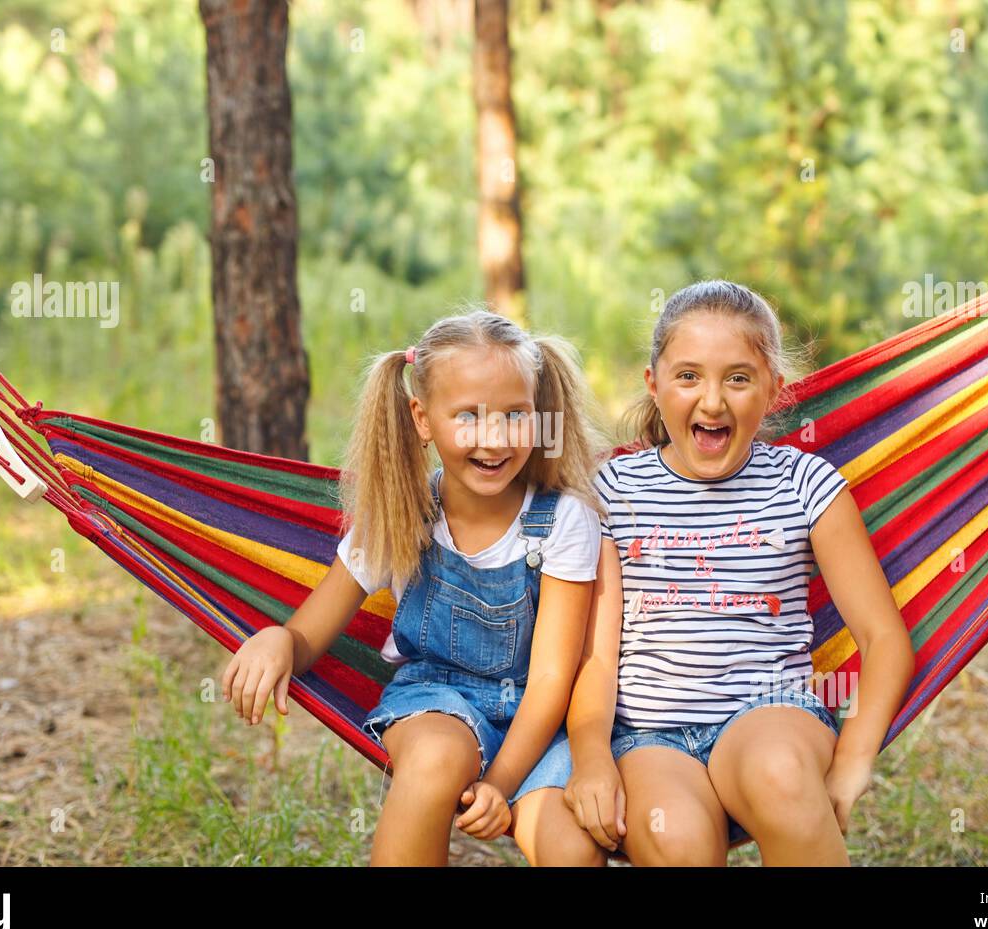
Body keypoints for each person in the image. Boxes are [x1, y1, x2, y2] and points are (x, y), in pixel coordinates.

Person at [525, 279, 916, 866]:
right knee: (675, 837)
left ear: (774, 389)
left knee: (779, 776)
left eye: (738, 377)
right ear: (654, 386)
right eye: (688, 377)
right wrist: (592, 756)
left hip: (770, 713)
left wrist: (856, 756)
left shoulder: (805, 485)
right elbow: (595, 658)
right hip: (650, 736)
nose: (712, 401)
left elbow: (884, 638)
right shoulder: (612, 491)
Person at [221, 309, 608, 865]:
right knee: (434, 759)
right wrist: (279, 640)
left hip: (539, 723)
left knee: (573, 851)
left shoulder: (564, 519)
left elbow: (551, 678)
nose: (493, 439)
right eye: (468, 416)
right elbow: (308, 634)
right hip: (436, 702)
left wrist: (498, 784)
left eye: (514, 415)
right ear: (422, 418)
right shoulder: (399, 513)